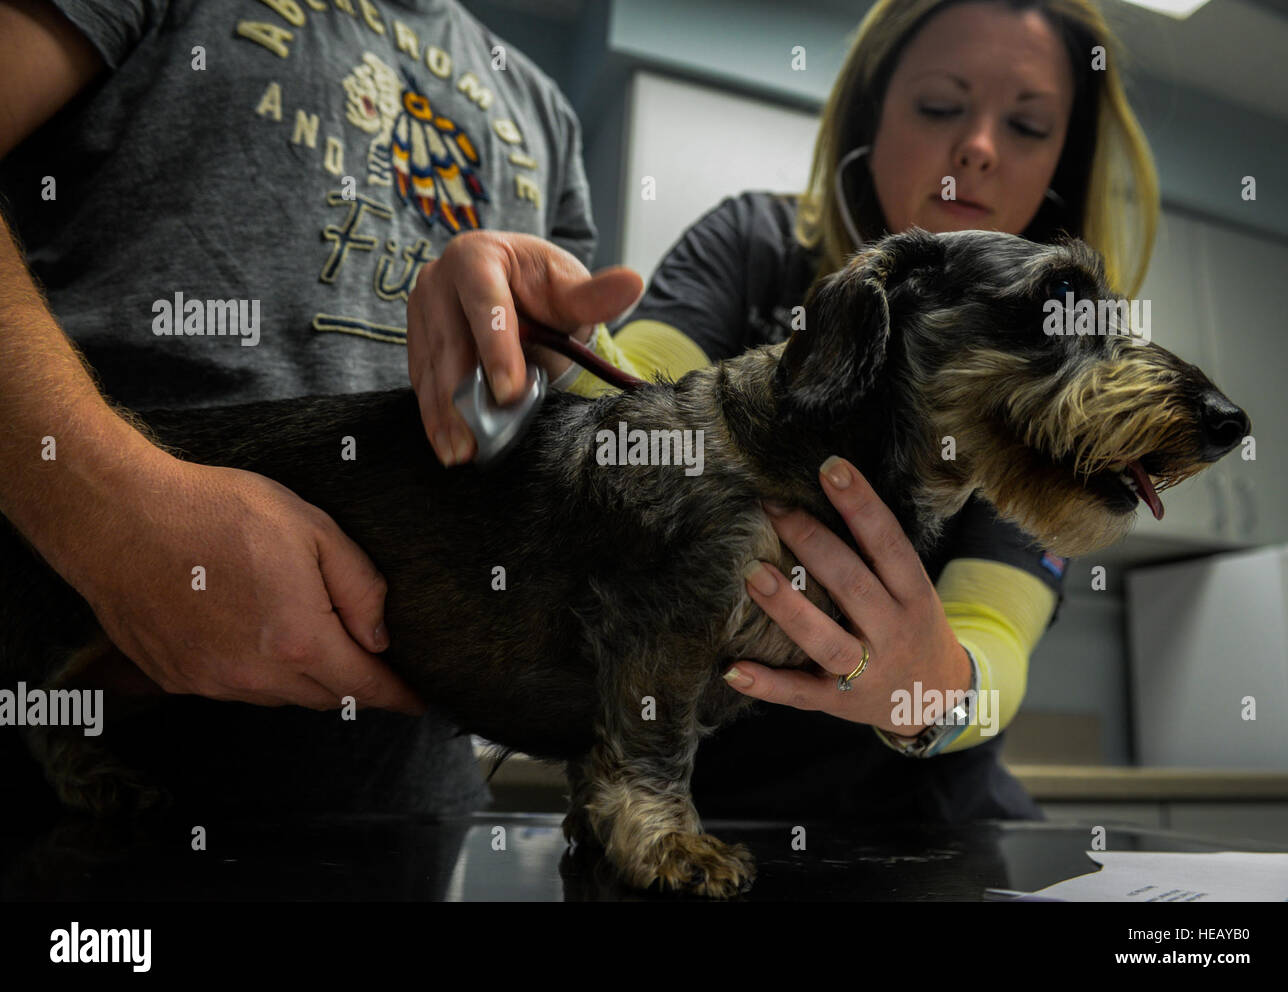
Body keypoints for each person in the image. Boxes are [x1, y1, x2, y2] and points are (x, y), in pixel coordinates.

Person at [417, 0, 1158, 824]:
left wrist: (939, 694)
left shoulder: (1056, 368)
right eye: (941, 106)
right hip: (705, 809)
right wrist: (564, 338)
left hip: (933, 823)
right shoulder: (750, 244)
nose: (978, 147)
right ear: (869, 115)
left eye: (1027, 126)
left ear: (1063, 160)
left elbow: (993, 633)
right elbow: (639, 405)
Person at [0, 0, 637, 815]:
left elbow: (528, 418)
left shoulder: (544, 108)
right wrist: (110, 516)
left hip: (401, 795)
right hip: (66, 702)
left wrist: (549, 355)